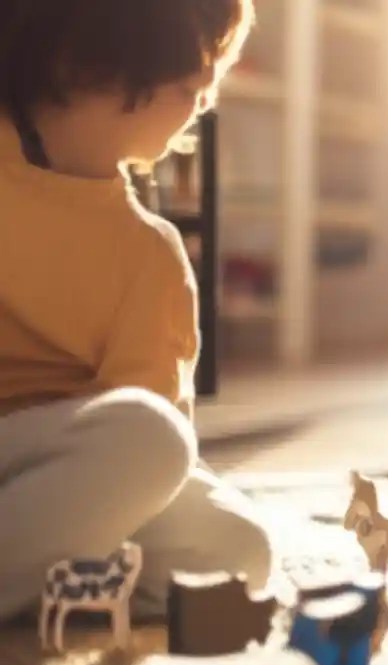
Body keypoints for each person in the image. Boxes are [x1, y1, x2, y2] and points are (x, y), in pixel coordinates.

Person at [0, 0, 272, 620]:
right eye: (187, 87)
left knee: (237, 551)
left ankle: (40, 572)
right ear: (88, 65)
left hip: (69, 469)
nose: (205, 104)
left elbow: (151, 440)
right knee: (149, 440)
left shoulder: (149, 253)